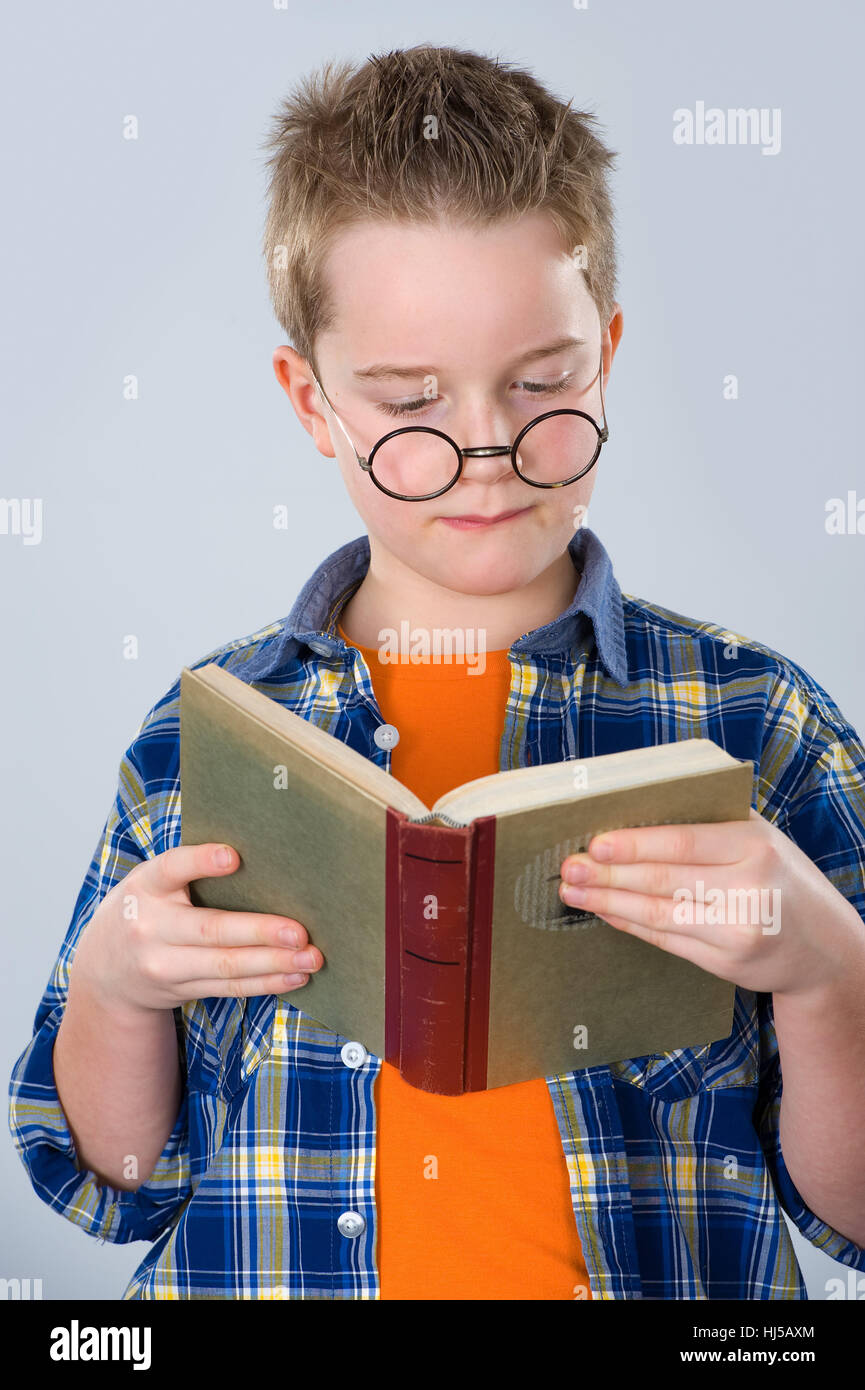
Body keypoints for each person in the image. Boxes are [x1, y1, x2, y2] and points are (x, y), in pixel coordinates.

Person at [9, 43, 865, 1300]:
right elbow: (112, 1178)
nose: (486, 451)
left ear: (608, 352)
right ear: (312, 406)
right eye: (409, 400)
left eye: (542, 383)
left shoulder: (758, 721)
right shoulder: (209, 735)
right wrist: (116, 984)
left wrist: (828, 969)